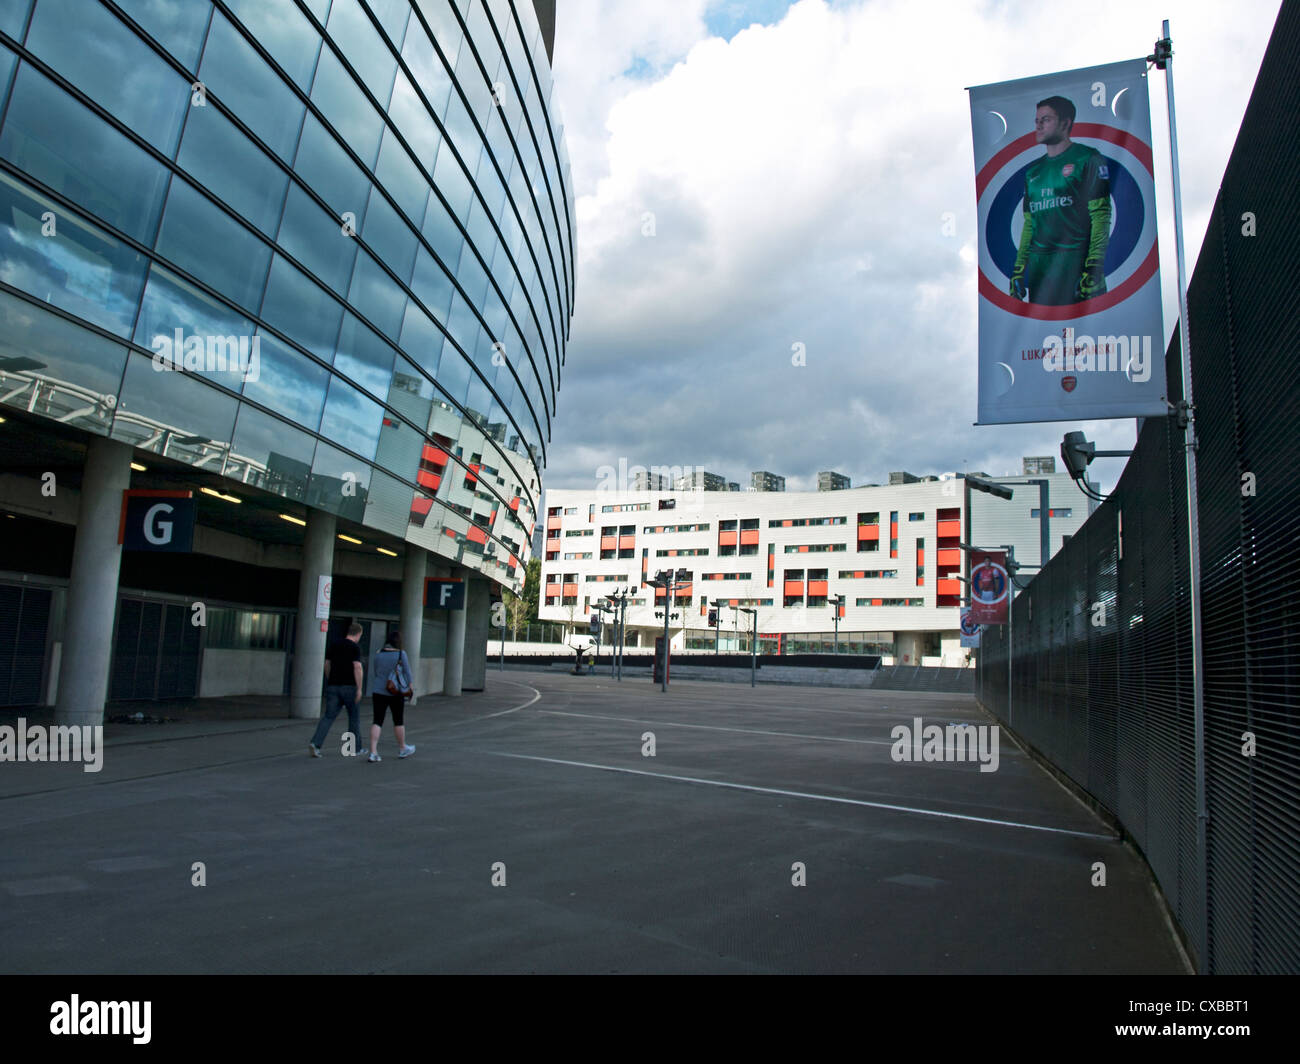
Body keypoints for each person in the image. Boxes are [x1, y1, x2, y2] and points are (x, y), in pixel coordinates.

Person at [1008, 95, 1112, 306]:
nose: (1038, 125)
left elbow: (1101, 216)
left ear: (1066, 123)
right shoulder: (1032, 172)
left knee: (1087, 336)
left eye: (1045, 119)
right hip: (1040, 268)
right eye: (1036, 121)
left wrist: (1094, 265)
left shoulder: (1088, 158)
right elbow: (1030, 223)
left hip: (1075, 262)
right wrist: (1019, 269)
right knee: (1044, 337)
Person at [311, 622, 364, 758]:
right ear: (358, 634)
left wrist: (331, 679)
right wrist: (359, 688)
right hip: (350, 687)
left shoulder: (334, 644)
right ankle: (353, 749)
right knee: (353, 718)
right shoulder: (355, 647)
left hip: (334, 686)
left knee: (328, 716)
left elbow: (327, 664)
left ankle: (316, 744)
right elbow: (357, 667)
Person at [366, 630, 415, 763]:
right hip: (395, 691)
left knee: (377, 720)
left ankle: (373, 752)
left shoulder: (378, 654)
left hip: (378, 690)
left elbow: (376, 671)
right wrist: (410, 687)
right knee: (398, 720)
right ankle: (402, 748)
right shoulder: (401, 653)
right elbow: (407, 672)